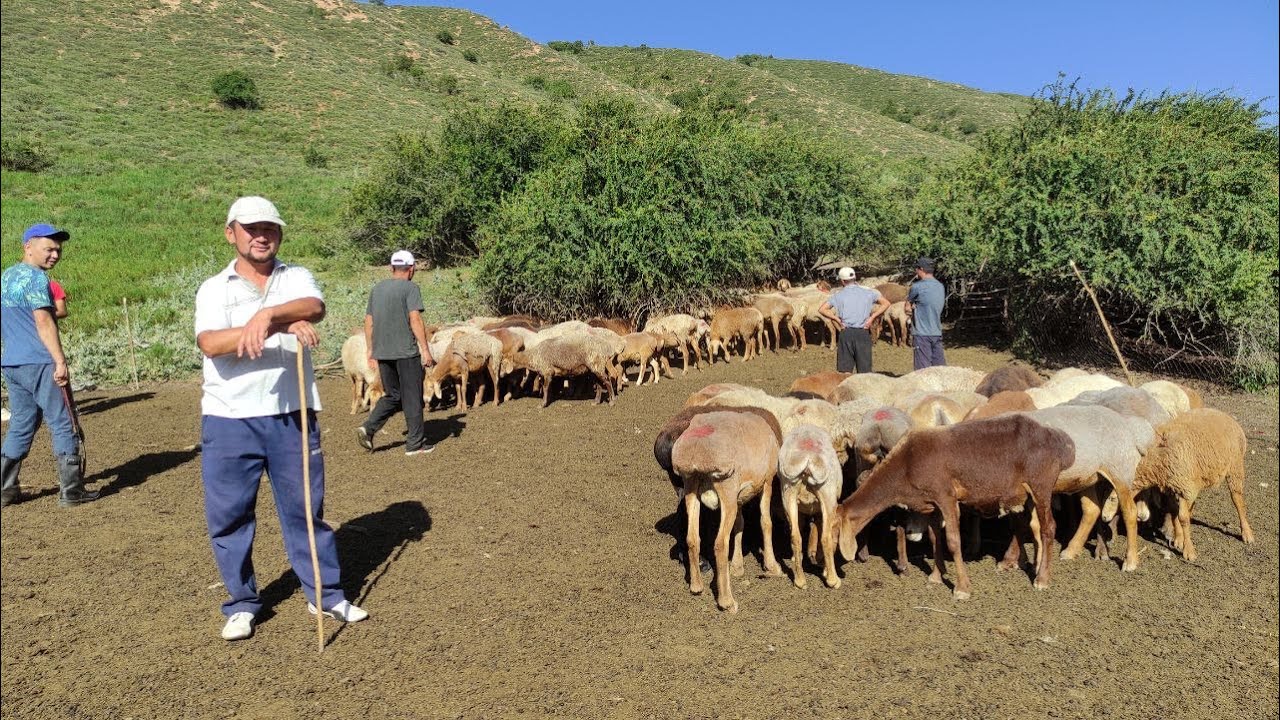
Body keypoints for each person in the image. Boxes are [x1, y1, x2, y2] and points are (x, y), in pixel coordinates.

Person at [194, 196, 367, 641]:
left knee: (306, 509)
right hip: (230, 416)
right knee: (230, 514)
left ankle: (325, 594)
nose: (261, 236)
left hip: (293, 414)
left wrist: (269, 315)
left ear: (280, 234)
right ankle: (242, 603)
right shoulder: (214, 288)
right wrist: (277, 325)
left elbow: (315, 306)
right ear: (231, 232)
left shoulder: (296, 277)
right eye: (250, 228)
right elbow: (212, 343)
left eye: (269, 228)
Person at [1, 223, 97, 508]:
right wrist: (60, 361)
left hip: (12, 362)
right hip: (41, 361)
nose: (55, 254)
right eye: (49, 249)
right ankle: (71, 490)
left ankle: (5, 489)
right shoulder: (36, 280)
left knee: (21, 423)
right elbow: (44, 322)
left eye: (58, 250)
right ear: (28, 247)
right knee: (63, 420)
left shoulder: (6, 277)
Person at [355, 250, 435, 456]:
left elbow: (368, 321)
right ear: (412, 269)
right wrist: (425, 350)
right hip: (406, 352)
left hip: (383, 351)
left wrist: (371, 350)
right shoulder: (410, 288)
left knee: (393, 395)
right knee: (412, 396)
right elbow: (415, 319)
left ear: (391, 268)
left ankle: (368, 428)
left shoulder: (377, 289)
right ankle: (415, 444)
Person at [819, 266, 890, 373]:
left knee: (844, 371)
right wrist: (872, 318)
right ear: (855, 278)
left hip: (846, 333)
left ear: (842, 281)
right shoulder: (869, 292)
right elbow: (886, 303)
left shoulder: (838, 295)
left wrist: (837, 319)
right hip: (863, 333)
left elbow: (822, 309)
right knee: (864, 371)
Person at [907, 257, 946, 370]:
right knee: (939, 368)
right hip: (936, 332)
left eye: (917, 269)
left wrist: (912, 308)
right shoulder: (940, 286)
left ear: (922, 269)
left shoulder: (917, 287)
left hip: (922, 333)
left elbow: (907, 307)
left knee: (922, 370)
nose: (916, 271)